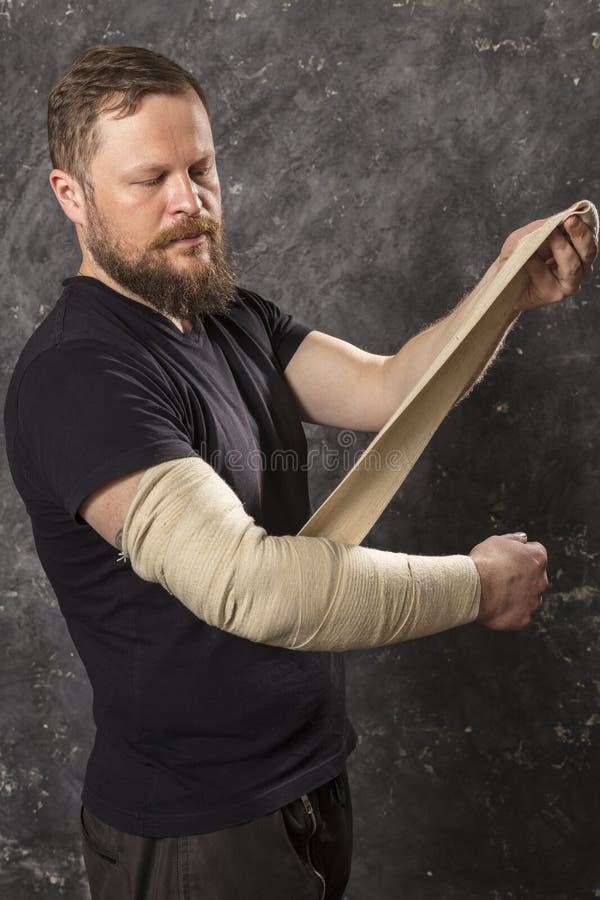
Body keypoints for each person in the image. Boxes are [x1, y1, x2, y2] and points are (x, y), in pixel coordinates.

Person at [3, 44, 596, 900]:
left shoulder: (225, 313)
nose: (189, 202)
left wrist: (508, 288)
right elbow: (251, 587)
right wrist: (477, 586)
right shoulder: (80, 376)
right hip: (197, 832)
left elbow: (390, 389)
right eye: (150, 180)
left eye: (201, 168)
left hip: (304, 786)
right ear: (73, 196)